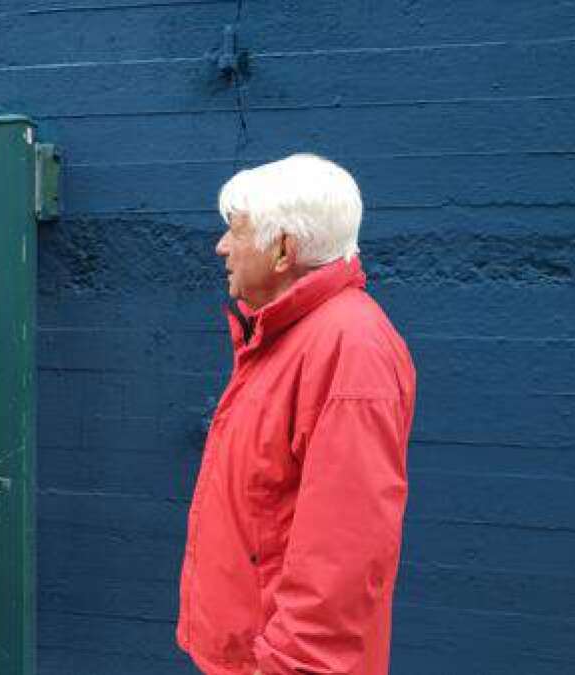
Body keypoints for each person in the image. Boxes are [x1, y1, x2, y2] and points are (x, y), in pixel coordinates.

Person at [176, 154, 417, 674]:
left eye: (236, 230)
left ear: (284, 249)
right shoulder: (287, 338)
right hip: (249, 654)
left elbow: (344, 555)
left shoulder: (348, 350)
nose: (221, 246)